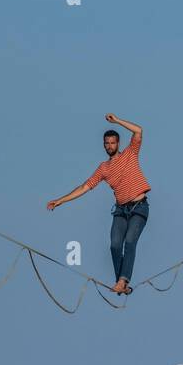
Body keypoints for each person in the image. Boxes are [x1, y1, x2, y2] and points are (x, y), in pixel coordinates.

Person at [47, 114, 150, 295]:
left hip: (139, 207)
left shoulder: (130, 153)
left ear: (118, 143)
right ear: (104, 145)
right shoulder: (103, 168)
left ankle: (122, 280)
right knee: (115, 245)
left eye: (113, 143)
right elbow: (84, 187)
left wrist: (117, 120)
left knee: (130, 241)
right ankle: (122, 283)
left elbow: (138, 130)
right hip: (120, 210)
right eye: (107, 143)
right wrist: (61, 200)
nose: (110, 146)